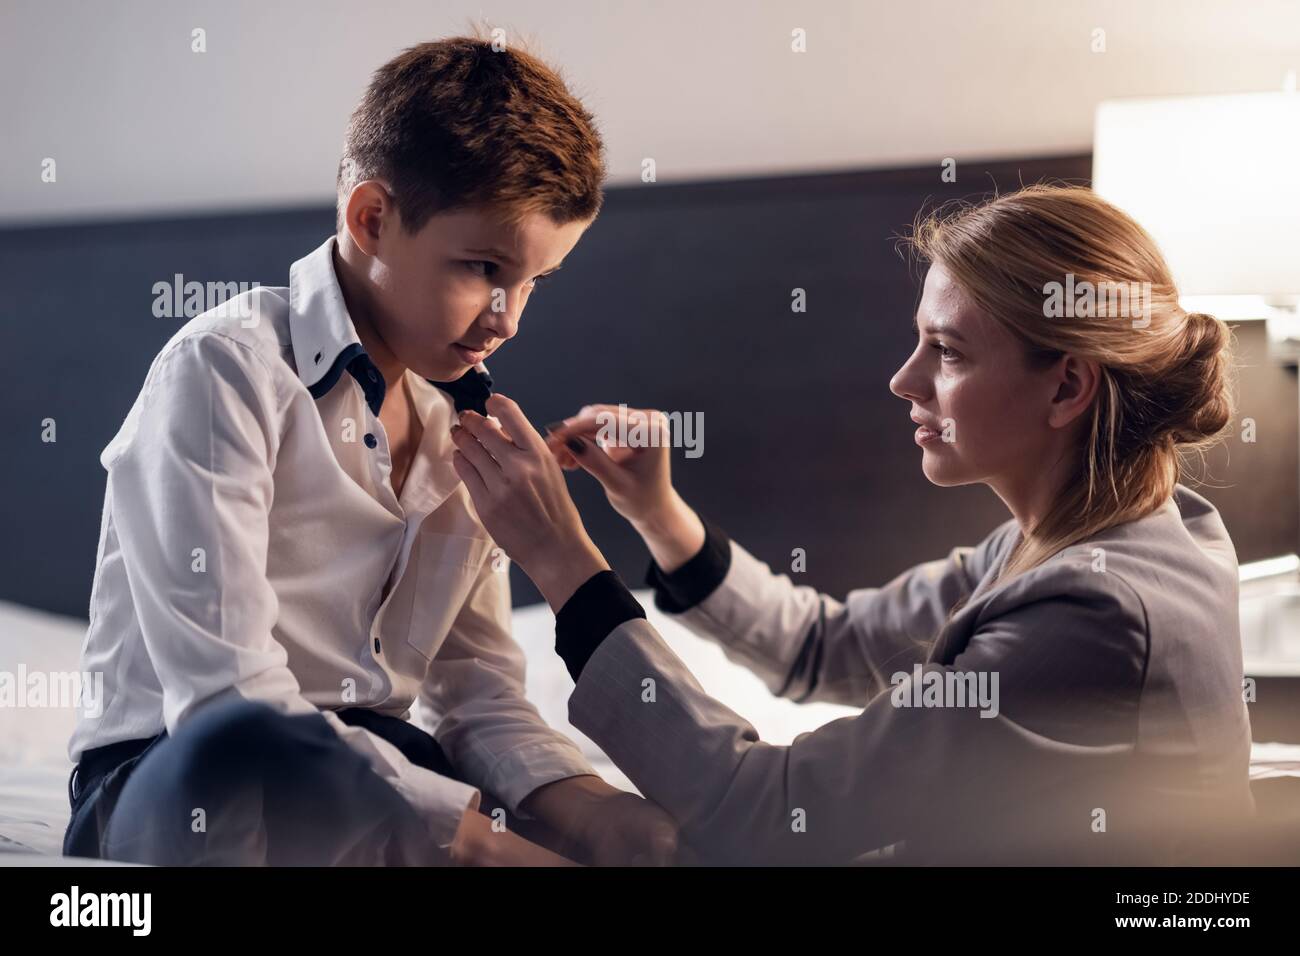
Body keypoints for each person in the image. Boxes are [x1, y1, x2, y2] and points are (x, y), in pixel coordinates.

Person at [449, 185, 1255, 864]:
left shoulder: (1092, 613)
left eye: (947, 351)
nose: (904, 380)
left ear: (1067, 386)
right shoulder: (1099, 534)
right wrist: (659, 517)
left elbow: (765, 812)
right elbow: (825, 648)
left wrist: (563, 562)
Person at [64, 36, 676, 867]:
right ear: (372, 219)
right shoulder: (225, 371)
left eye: (535, 281)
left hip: (383, 760)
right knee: (260, 759)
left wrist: (598, 815)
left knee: (597, 824)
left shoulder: (469, 435)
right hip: (181, 771)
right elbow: (225, 701)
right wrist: (481, 845)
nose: (510, 319)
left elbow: (480, 703)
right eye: (484, 269)